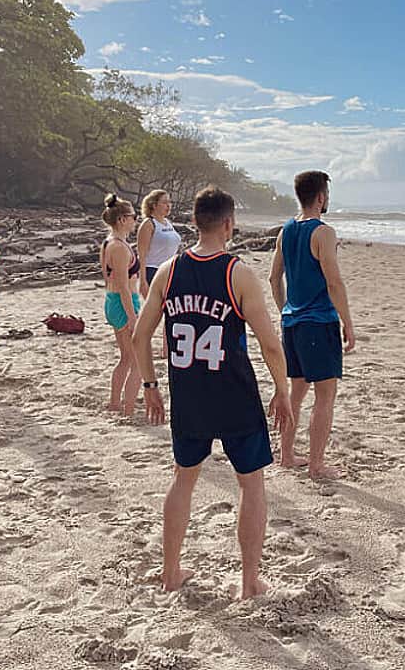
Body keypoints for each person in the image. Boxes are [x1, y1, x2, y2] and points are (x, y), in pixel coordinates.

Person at [133, 185, 294, 599]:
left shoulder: (169, 271)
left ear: (193, 222)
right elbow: (269, 343)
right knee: (251, 484)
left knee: (183, 480)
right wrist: (282, 389)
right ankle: (249, 582)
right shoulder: (237, 273)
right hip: (234, 393)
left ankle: (171, 572)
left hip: (188, 393)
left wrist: (150, 385)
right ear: (229, 224)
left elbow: (139, 336)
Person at [268, 170, 356, 480]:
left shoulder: (286, 230)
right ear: (321, 197)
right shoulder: (323, 232)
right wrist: (348, 323)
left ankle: (287, 454)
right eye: (326, 195)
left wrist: (286, 310)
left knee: (296, 391)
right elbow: (334, 282)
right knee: (325, 395)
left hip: (293, 322)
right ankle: (317, 465)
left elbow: (274, 278)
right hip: (318, 321)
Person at [100, 193, 142, 415]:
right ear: (122, 219)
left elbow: (107, 278)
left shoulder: (111, 243)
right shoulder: (117, 247)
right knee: (138, 362)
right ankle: (128, 409)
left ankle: (116, 403)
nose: (136, 221)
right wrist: (132, 317)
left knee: (126, 357)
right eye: (134, 217)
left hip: (115, 301)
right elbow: (122, 285)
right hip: (122, 303)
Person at [138, 188, 181, 359]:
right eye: (164, 202)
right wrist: (142, 280)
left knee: (172, 310)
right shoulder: (149, 224)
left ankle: (167, 349)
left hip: (171, 271)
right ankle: (142, 345)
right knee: (156, 312)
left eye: (169, 202)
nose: (168, 205)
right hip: (153, 270)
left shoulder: (167, 223)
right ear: (154, 205)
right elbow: (142, 254)